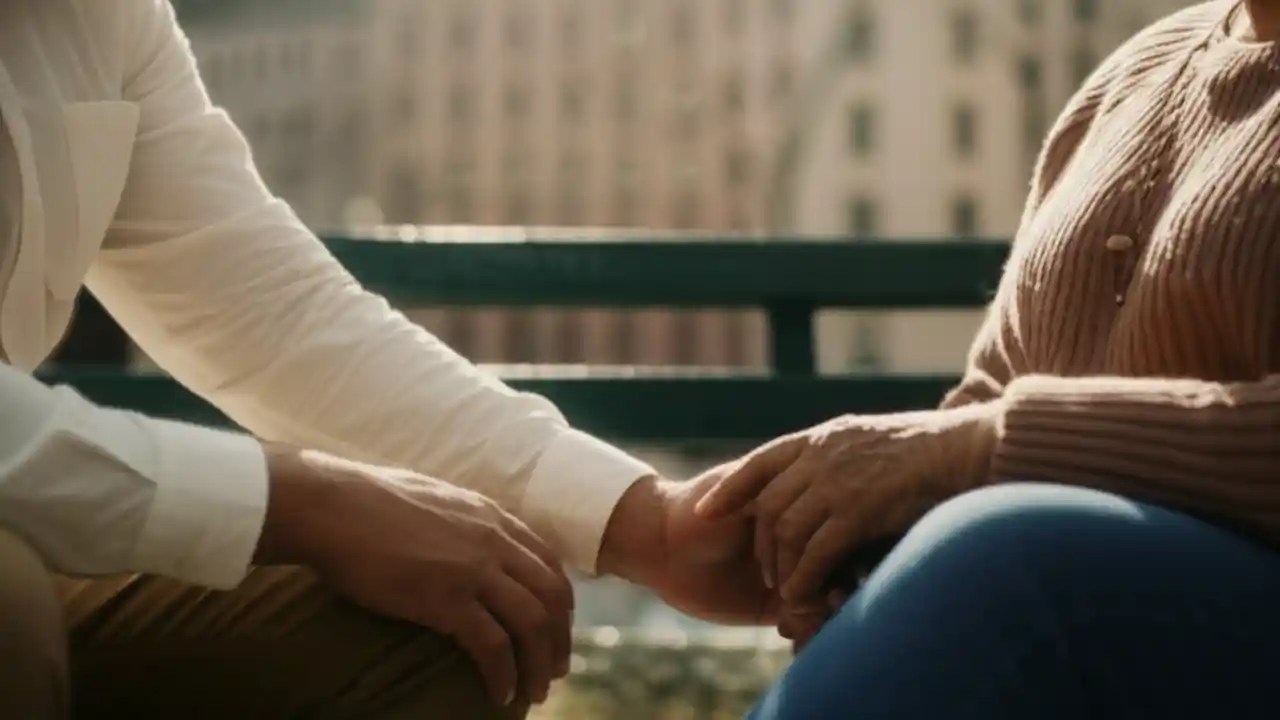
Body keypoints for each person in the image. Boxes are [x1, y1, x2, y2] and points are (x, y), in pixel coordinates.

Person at [0, 2, 772, 718]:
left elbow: (271, 316)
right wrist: (296, 502)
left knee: (465, 619)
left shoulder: (109, 19)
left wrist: (648, 526)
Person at [699, 1, 1280, 717]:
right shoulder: (1140, 69)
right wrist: (863, 542)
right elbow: (994, 385)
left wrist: (975, 454)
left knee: (1004, 560)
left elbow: (979, 445)